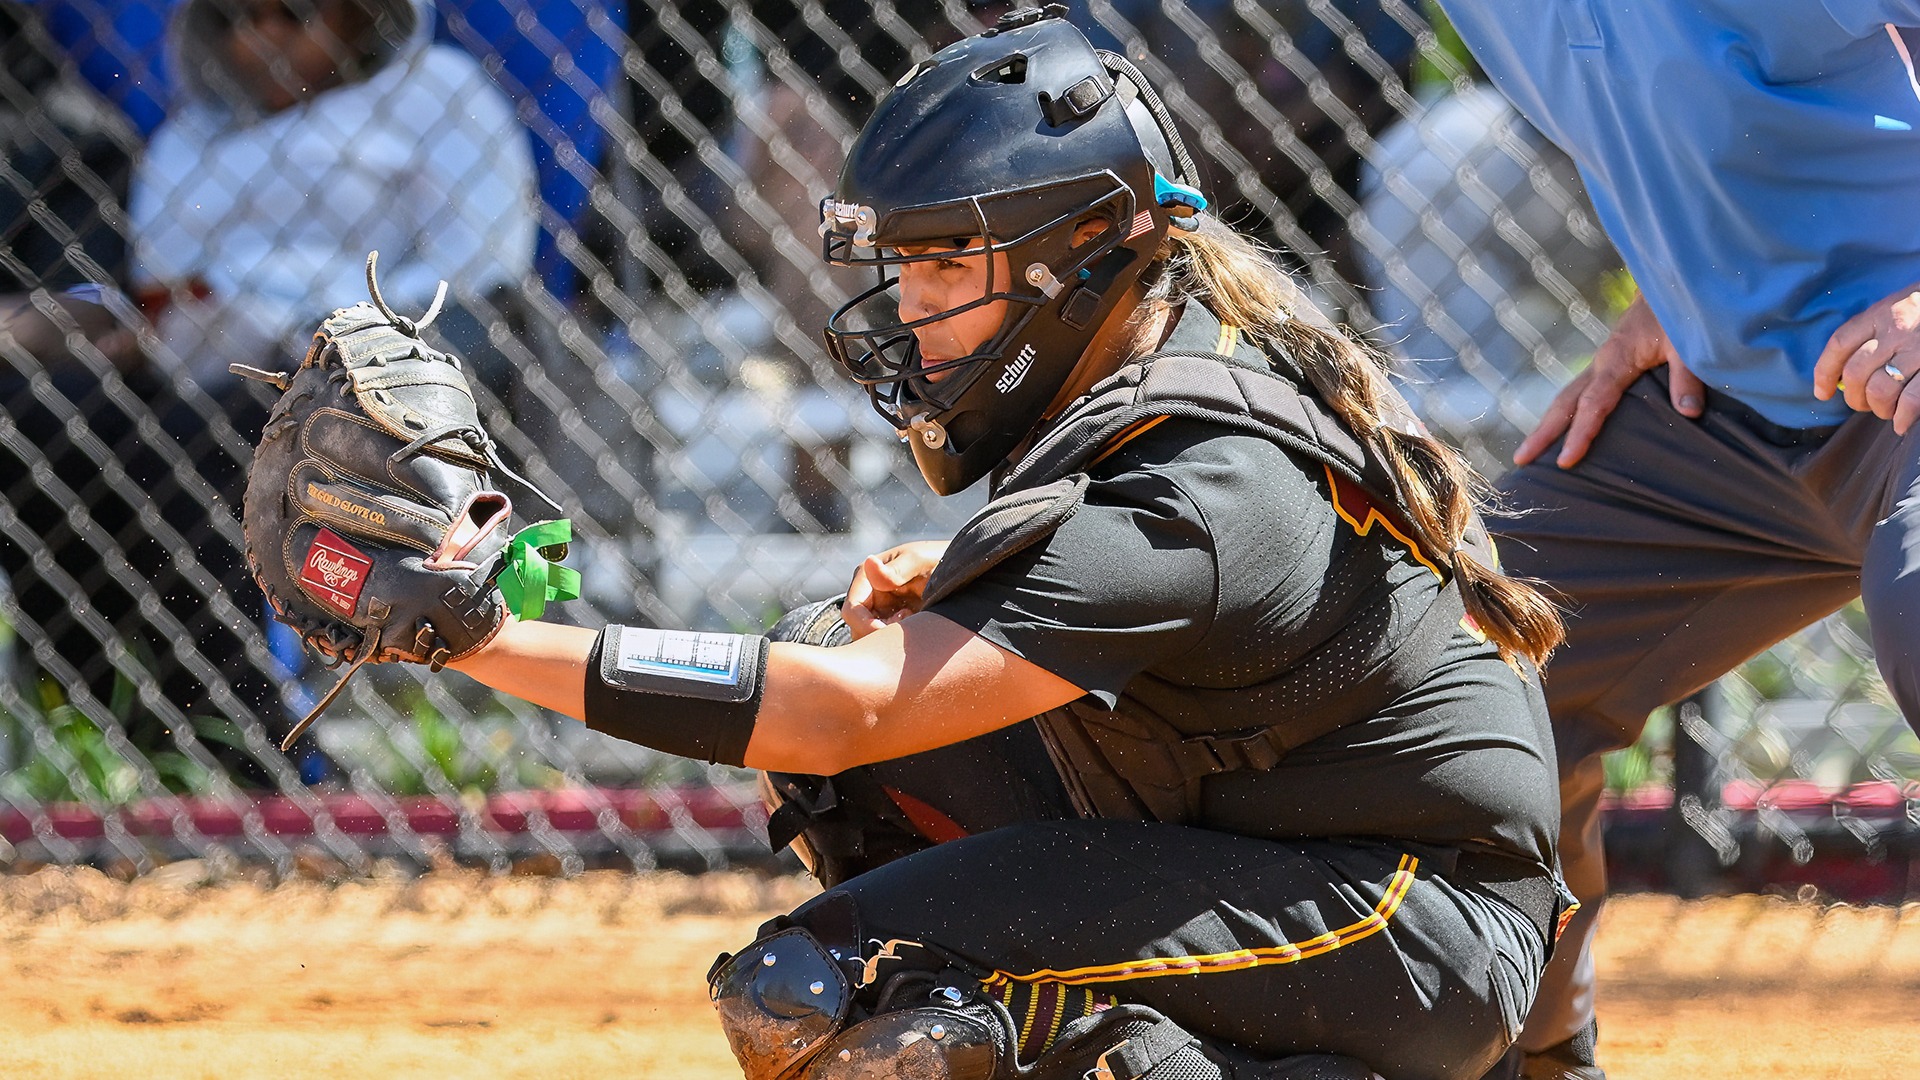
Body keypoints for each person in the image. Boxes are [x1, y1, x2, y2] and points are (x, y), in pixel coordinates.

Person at [449, 10, 1569, 1079]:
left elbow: (841, 708)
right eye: (906, 266)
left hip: (1410, 931)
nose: (910, 309)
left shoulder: (1198, 488)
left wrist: (486, 638)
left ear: (1086, 245)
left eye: (947, 265)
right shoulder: (1174, 343)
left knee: (840, 984)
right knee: (833, 659)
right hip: (1297, 857)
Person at [1420, 4, 1920, 1078]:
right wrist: (1685, 285)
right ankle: (1544, 1054)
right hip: (1720, 413)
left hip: (1907, 373)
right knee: (1457, 664)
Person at [129, 0, 535, 401]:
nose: (263, 35)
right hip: (228, 372)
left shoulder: (430, 88)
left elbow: (484, 256)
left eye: (294, 13)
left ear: (359, 17)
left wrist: (343, 327)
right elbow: (162, 277)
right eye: (239, 17)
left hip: (393, 352)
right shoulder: (189, 137)